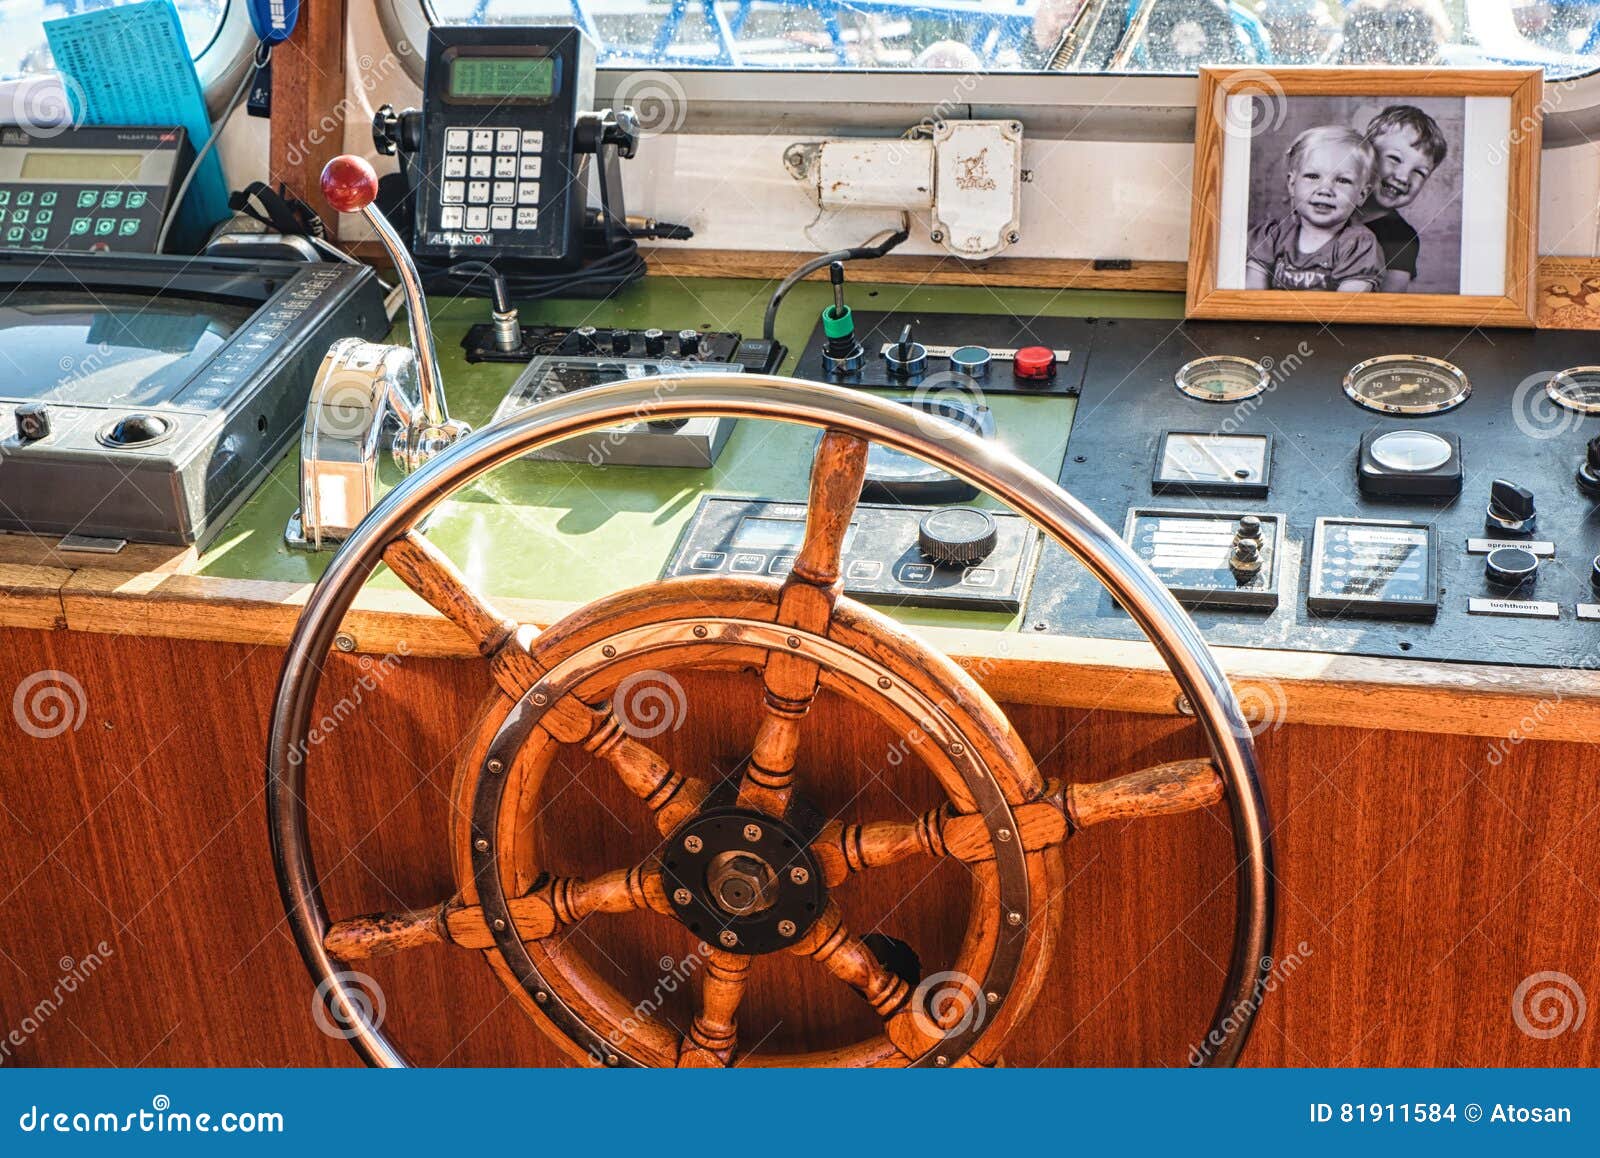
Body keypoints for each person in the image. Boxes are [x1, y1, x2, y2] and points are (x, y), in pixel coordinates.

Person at [1246, 124, 1383, 291]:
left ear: (1362, 194)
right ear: (1292, 184)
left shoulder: (1358, 245)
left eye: (1342, 180)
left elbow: (1346, 305)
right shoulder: (1271, 236)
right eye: (1313, 176)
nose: (1325, 190)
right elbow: (1253, 295)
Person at [1358, 104, 1448, 292]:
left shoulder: (1402, 239)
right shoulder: (1328, 207)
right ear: (1366, 152)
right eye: (1395, 159)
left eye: (1419, 172)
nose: (1403, 177)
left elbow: (1389, 303)